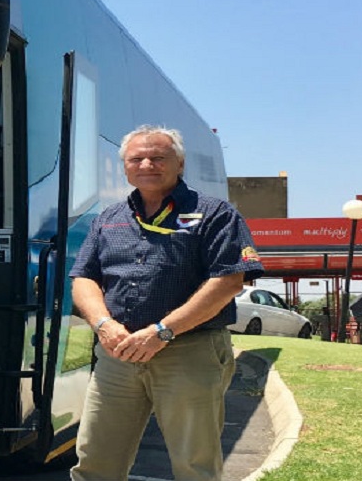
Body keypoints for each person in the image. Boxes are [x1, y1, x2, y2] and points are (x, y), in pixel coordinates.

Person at [68, 125, 264, 481]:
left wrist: (163, 331)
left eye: (158, 157)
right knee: (96, 461)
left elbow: (229, 280)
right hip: (117, 355)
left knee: (194, 466)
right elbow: (83, 279)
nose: (147, 164)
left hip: (188, 351)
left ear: (180, 163)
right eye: (136, 158)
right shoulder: (107, 220)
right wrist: (103, 324)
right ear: (125, 166)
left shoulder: (215, 213)